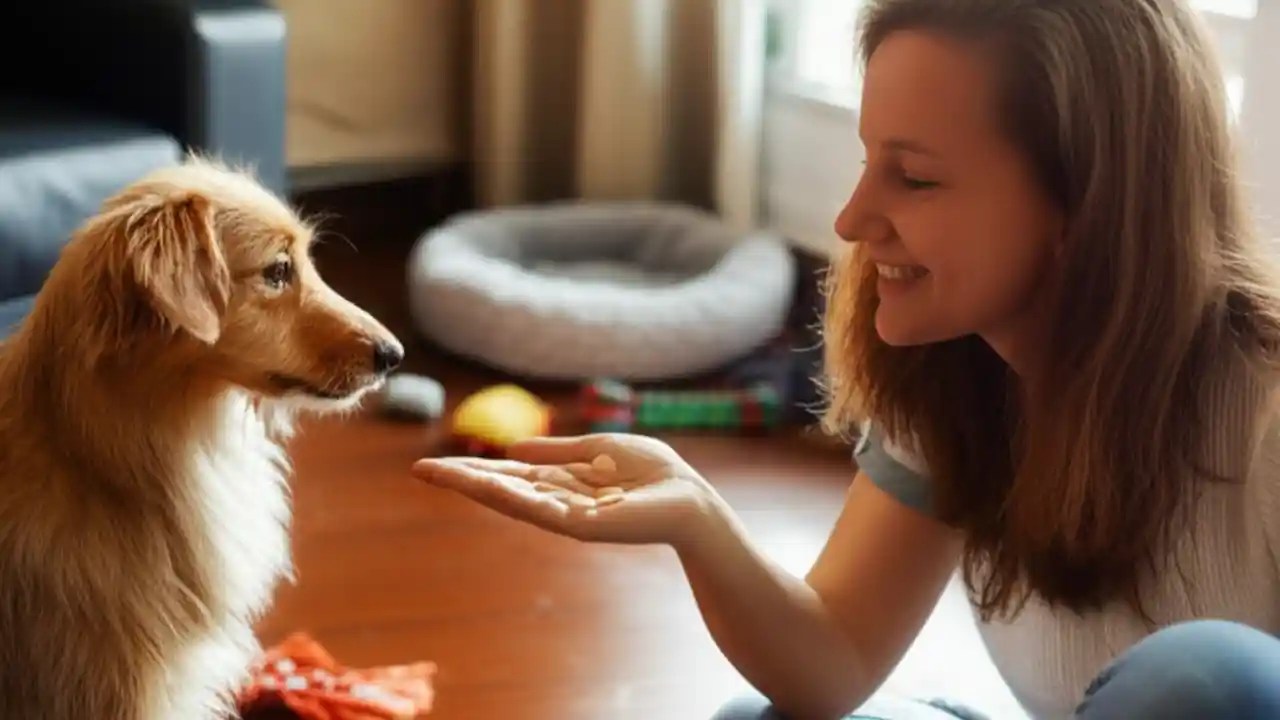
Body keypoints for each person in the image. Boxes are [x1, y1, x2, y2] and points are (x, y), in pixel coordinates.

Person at [410, 1, 1280, 718]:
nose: (854, 219)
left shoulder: (1267, 413)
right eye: (869, 163)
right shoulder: (957, 376)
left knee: (1205, 678)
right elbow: (833, 660)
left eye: (916, 177)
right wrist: (698, 523)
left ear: (1085, 203)